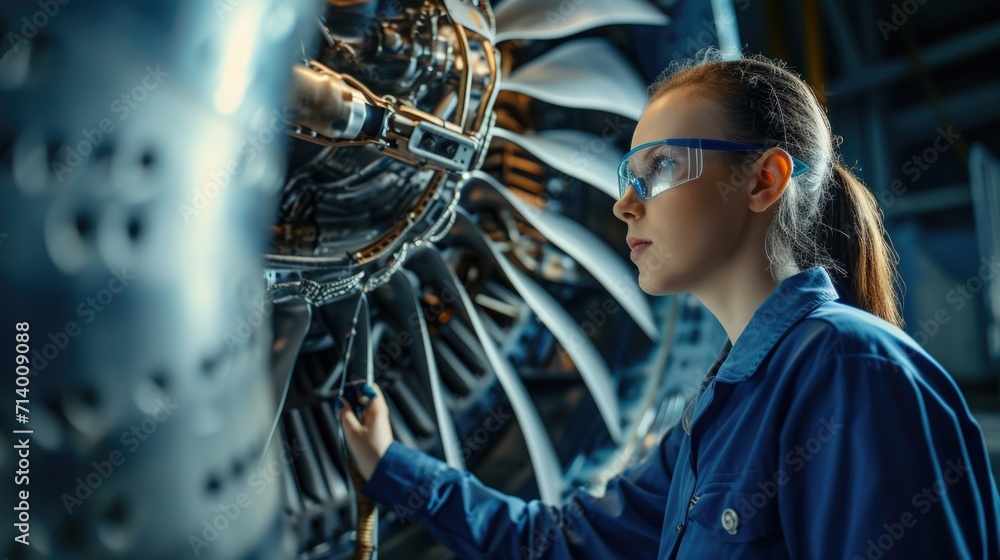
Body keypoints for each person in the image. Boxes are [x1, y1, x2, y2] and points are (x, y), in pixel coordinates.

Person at [337, 50, 1000, 559]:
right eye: (629, 176)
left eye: (656, 171)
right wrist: (394, 467)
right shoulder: (718, 413)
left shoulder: (852, 369)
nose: (623, 203)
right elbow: (566, 544)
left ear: (764, 180)